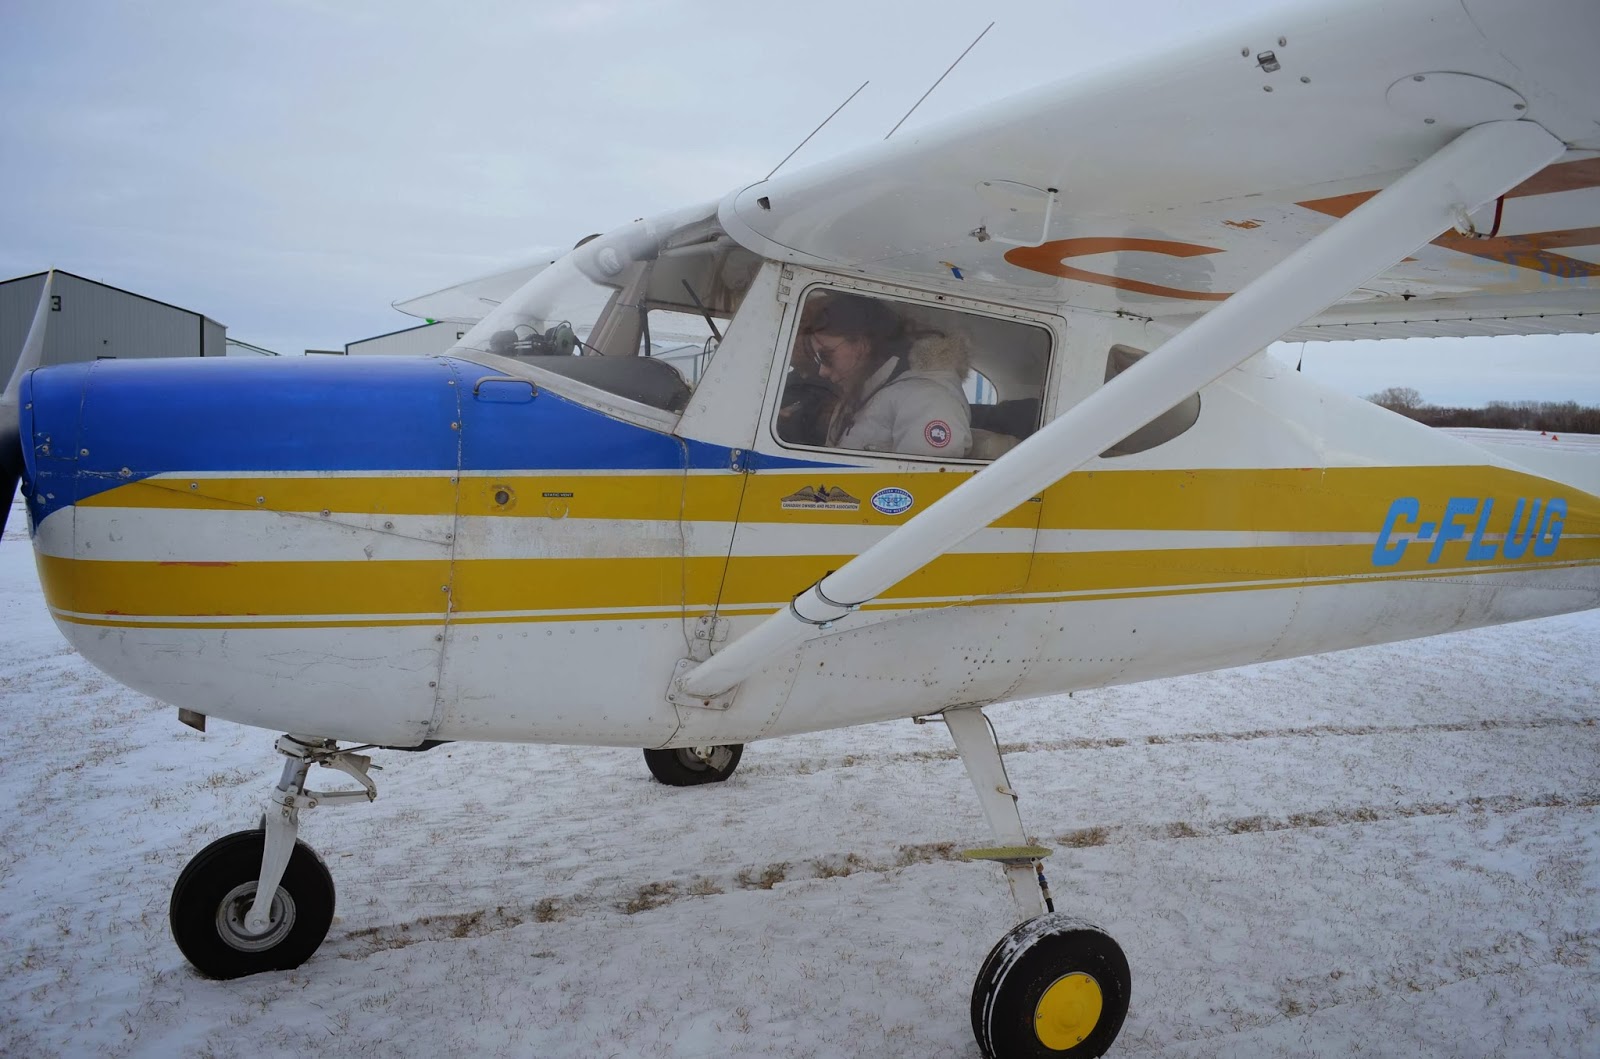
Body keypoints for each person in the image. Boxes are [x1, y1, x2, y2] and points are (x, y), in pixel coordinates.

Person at [794, 293, 972, 458]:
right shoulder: (866, 395)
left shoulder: (927, 401)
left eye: (826, 356)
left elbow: (924, 479)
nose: (822, 371)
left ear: (862, 345)